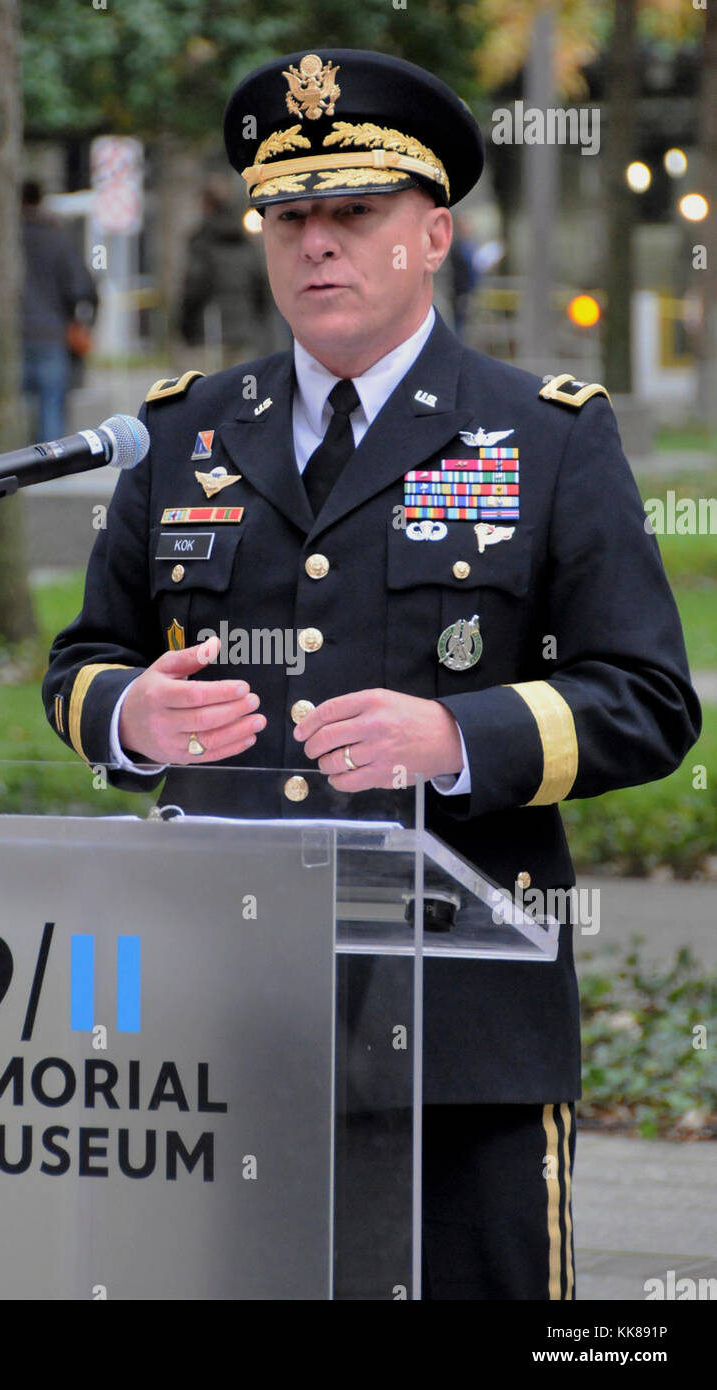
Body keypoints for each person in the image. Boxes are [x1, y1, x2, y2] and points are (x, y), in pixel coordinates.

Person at [42, 50, 700, 1299]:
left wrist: (452, 740)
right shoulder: (181, 433)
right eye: (289, 216)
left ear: (433, 232)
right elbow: (85, 663)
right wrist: (133, 713)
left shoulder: (545, 434)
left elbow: (649, 700)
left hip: (459, 1024)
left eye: (356, 213)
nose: (317, 245)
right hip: (219, 1024)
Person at [20, 179, 97, 442]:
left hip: (11, 335)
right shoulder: (57, 239)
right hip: (52, 334)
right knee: (51, 410)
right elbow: (83, 288)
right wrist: (84, 322)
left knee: (14, 409)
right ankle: (47, 475)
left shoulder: (1, 240)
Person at [177, 179, 270, 367]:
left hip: (210, 327)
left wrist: (184, 324)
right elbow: (260, 283)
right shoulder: (244, 240)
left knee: (208, 389)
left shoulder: (202, 240)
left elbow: (195, 285)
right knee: (242, 389)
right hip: (245, 329)